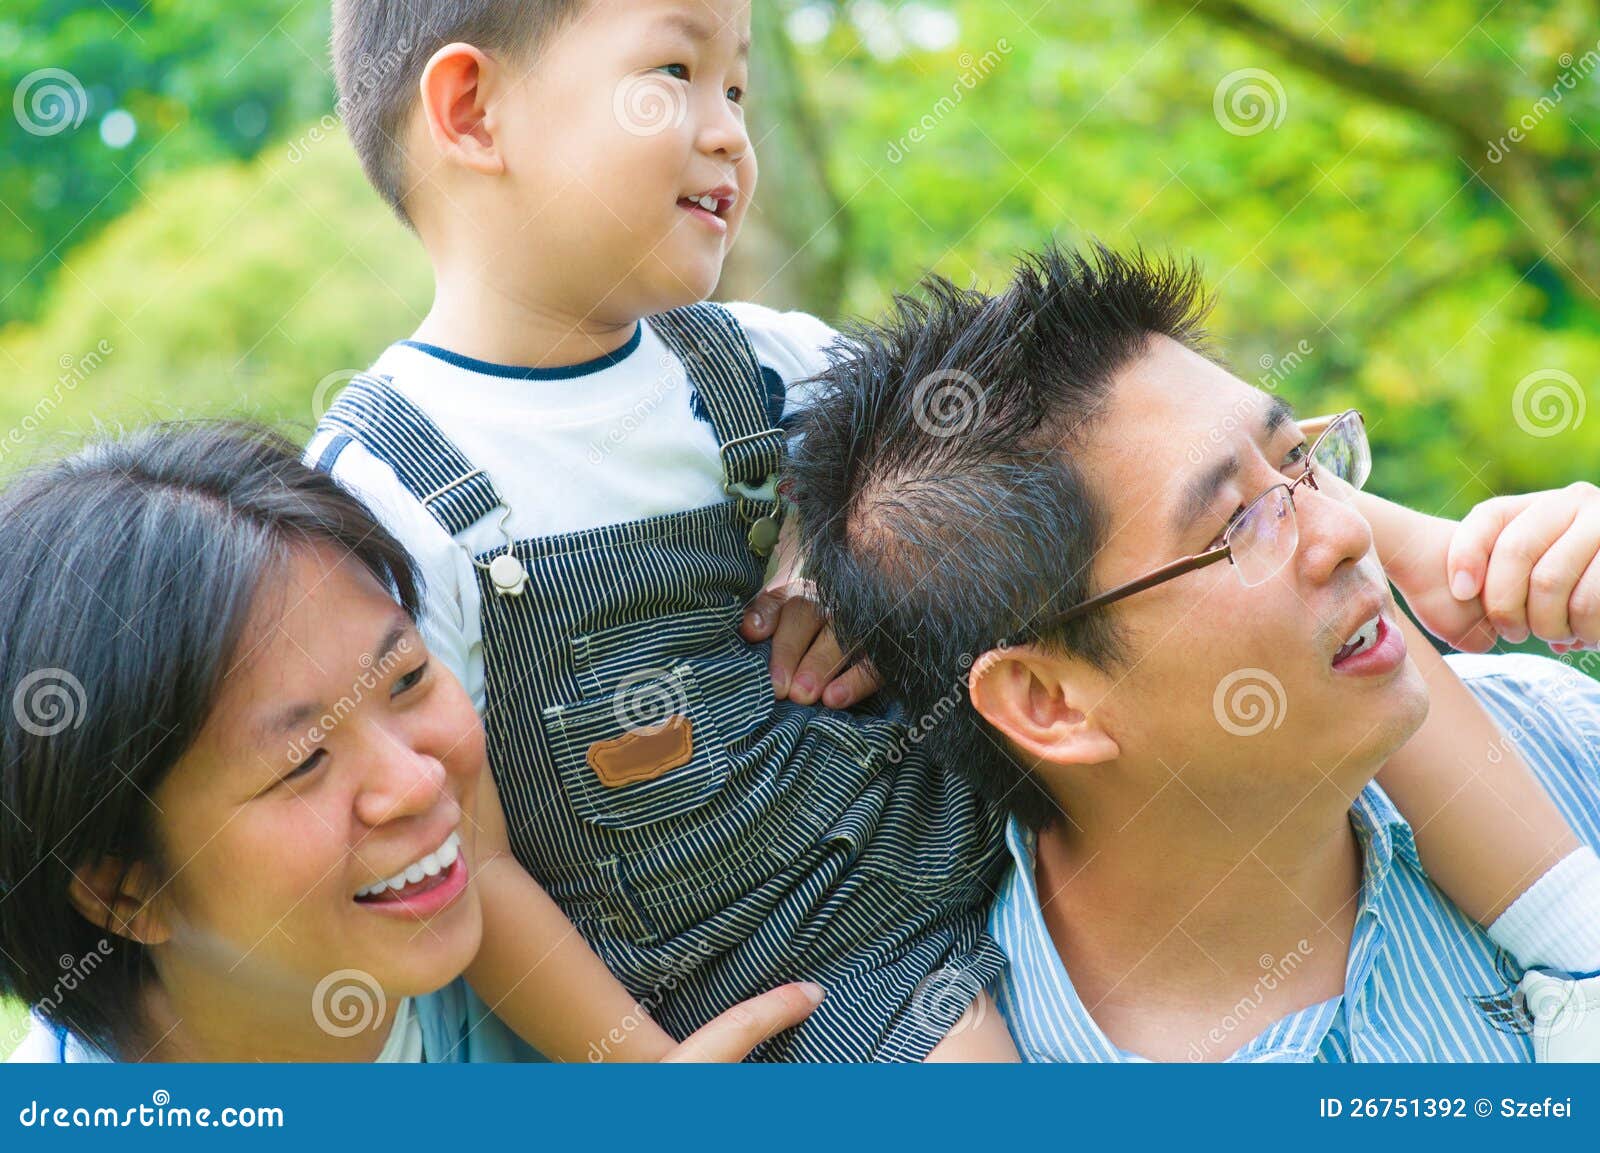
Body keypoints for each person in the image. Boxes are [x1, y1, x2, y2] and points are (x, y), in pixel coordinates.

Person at [304, 0, 1013, 1060]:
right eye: (676, 73)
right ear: (473, 112)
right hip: (809, 990)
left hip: (995, 826)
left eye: (737, 87)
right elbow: (472, 857)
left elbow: (981, 457)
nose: (730, 132)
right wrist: (647, 1075)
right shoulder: (390, 489)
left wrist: (850, 542)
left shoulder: (762, 362)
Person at [788, 242, 1600, 1061]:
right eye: (1236, 526)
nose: (1347, 532)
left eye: (1296, 460)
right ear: (1047, 700)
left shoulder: (1564, 744)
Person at [0, 423, 821, 1063]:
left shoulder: (568, 917)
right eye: (305, 760)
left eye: (407, 679)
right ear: (125, 893)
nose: (420, 781)